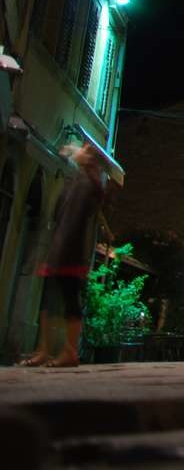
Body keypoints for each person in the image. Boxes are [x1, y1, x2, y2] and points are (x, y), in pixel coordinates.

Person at [20, 142, 107, 367]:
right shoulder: (78, 181)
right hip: (61, 249)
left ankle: (69, 351)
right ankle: (44, 349)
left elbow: (73, 222)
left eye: (84, 150)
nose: (78, 150)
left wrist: (59, 253)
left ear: (89, 159)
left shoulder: (88, 185)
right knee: (48, 302)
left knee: (68, 302)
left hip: (69, 252)